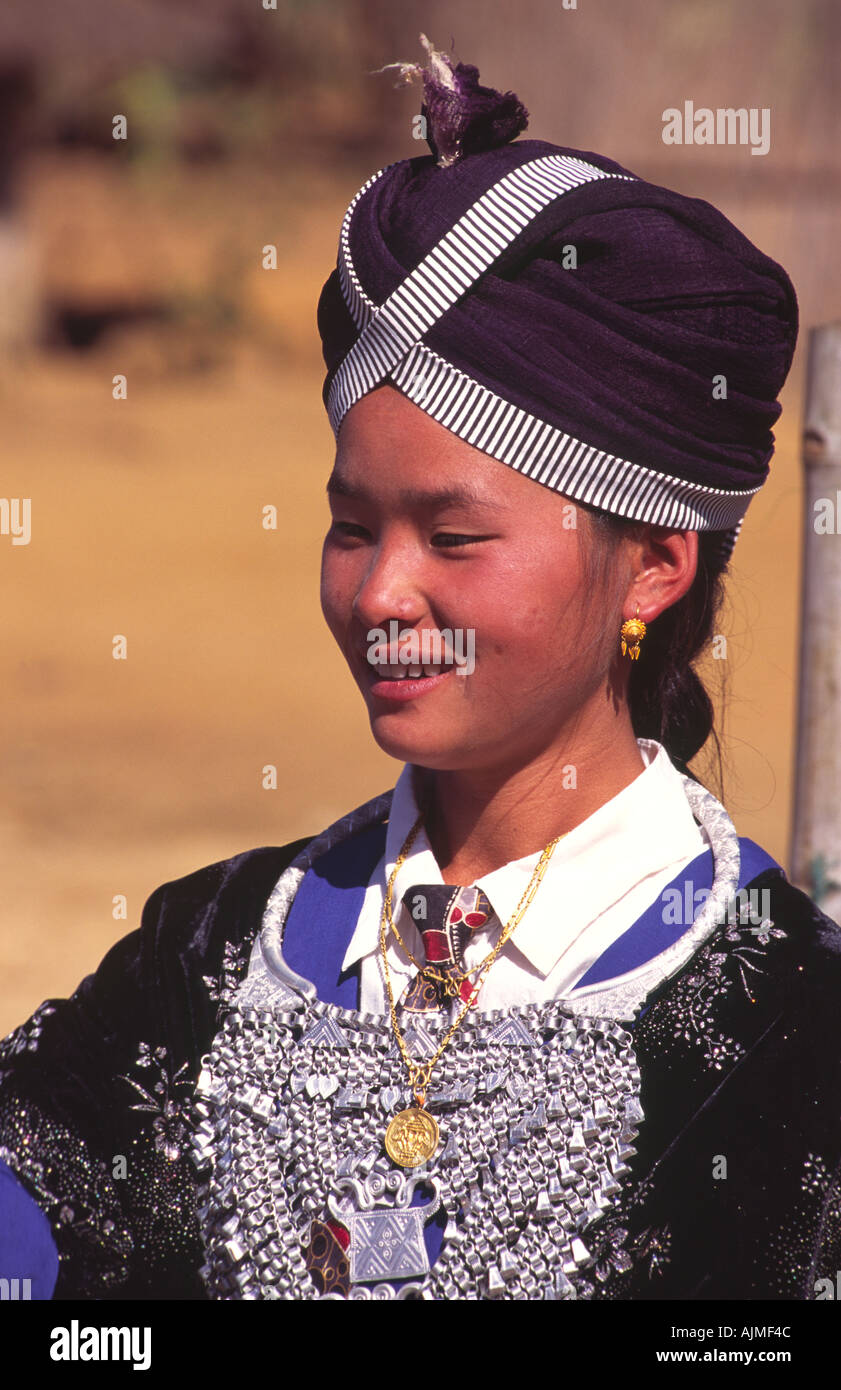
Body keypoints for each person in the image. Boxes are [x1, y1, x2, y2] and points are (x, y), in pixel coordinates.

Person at [2, 35, 840, 1302]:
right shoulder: (204, 961)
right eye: (351, 528)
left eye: (453, 538)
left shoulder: (787, 1041)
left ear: (654, 566)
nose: (382, 592)